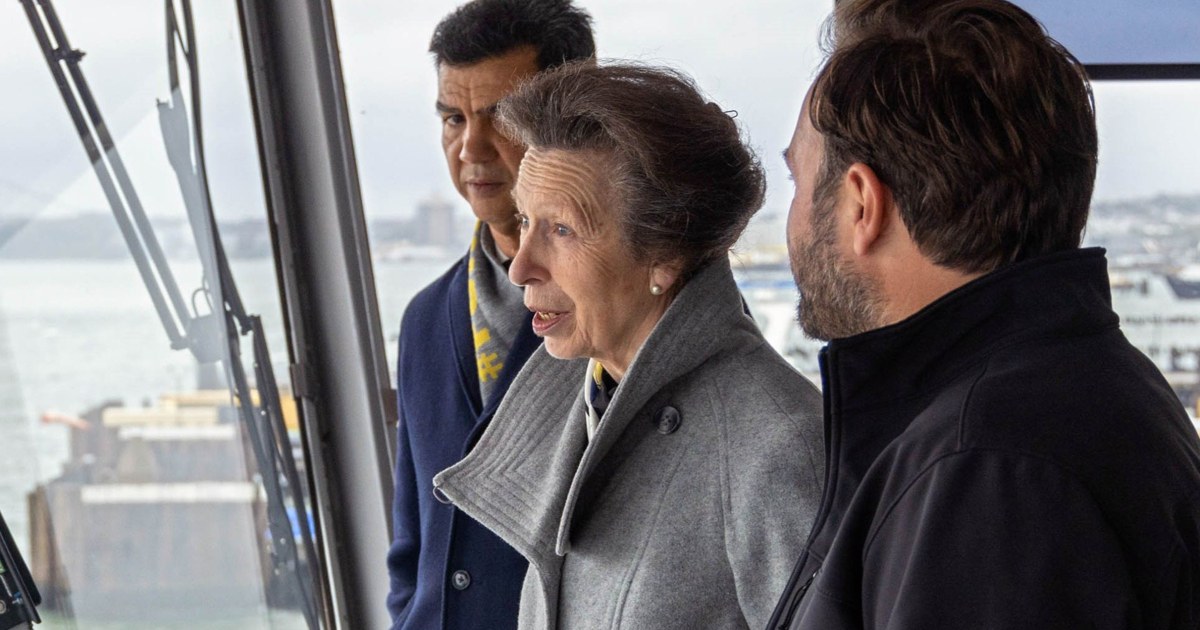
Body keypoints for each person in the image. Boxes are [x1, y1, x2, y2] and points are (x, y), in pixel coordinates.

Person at [768, 0, 1200, 628]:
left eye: (798, 184)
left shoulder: (986, 470)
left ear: (862, 203)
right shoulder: (1076, 390)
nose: (793, 220)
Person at [433, 62, 825, 630]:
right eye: (525, 219)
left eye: (563, 229)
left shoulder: (779, 449)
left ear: (664, 254)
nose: (520, 266)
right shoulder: (575, 401)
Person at [385, 1, 594, 628]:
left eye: (499, 116)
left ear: (577, 114)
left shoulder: (631, 311)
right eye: (453, 118)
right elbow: (414, 548)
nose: (470, 146)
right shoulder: (425, 320)